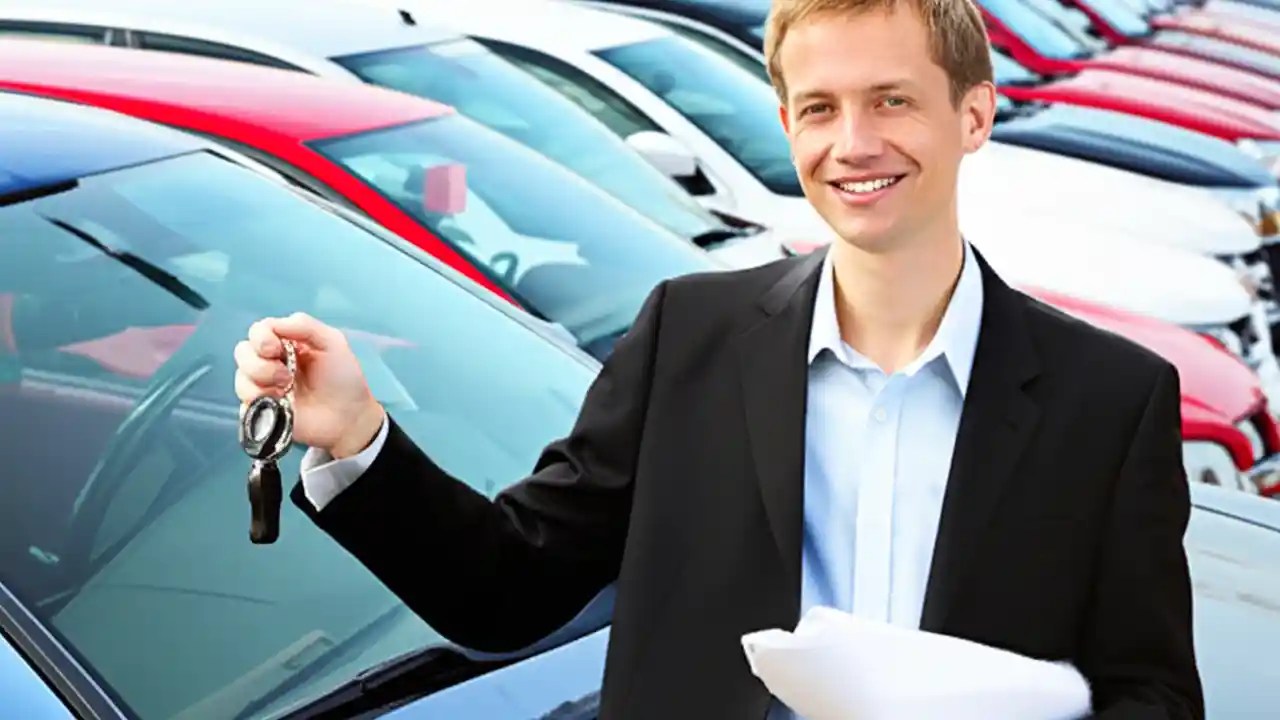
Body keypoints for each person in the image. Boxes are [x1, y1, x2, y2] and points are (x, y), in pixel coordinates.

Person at [232, 0, 1203, 717]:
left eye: (891, 101)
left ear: (973, 117)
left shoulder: (1106, 401)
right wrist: (358, 438)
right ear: (787, 127)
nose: (852, 144)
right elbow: (505, 590)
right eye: (818, 108)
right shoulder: (685, 338)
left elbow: (1148, 690)